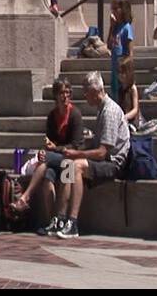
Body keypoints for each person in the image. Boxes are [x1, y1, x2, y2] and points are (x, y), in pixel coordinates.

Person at [47, 72, 130, 240]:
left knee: (76, 166)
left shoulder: (110, 111)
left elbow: (102, 153)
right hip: (104, 160)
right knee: (68, 164)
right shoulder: (101, 110)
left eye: (86, 91)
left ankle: (73, 222)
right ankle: (61, 218)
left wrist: (78, 153)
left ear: (95, 91)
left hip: (114, 164)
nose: (84, 95)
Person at [11, 77, 85, 231]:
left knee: (48, 163)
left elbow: (76, 145)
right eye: (62, 93)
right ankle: (54, 221)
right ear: (56, 96)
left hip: (72, 158)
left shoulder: (75, 115)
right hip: (57, 158)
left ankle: (25, 198)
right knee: (47, 176)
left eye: (68, 92)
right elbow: (49, 140)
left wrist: (54, 149)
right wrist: (48, 149)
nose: (65, 96)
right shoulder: (52, 116)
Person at [107, 0, 134, 102]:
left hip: (122, 70)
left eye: (115, 8)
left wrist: (124, 65)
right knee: (114, 93)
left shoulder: (126, 28)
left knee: (122, 96)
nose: (113, 12)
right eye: (112, 9)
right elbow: (109, 45)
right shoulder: (115, 28)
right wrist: (111, 27)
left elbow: (130, 53)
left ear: (123, 10)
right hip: (114, 68)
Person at [116, 55, 144, 128]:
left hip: (133, 122)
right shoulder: (120, 89)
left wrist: (125, 117)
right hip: (123, 120)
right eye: (119, 72)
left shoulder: (132, 89)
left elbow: (135, 109)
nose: (120, 75)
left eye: (123, 73)